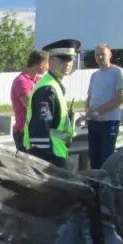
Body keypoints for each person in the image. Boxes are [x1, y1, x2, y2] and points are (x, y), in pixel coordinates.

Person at [27, 39, 79, 168]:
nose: (67, 63)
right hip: (49, 157)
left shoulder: (54, 85)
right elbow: (40, 127)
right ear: (51, 60)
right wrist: (44, 161)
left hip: (56, 153)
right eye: (62, 59)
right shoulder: (47, 88)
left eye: (70, 59)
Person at [85, 43, 123, 169]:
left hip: (109, 122)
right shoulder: (95, 75)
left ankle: (106, 185)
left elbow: (120, 97)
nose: (100, 57)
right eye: (97, 55)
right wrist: (88, 111)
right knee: (94, 156)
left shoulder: (118, 72)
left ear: (110, 55)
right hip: (93, 122)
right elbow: (89, 97)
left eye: (103, 54)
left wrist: (100, 111)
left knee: (107, 157)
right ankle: (95, 185)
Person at [11, 49, 49, 151]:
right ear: (41, 64)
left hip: (36, 130)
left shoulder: (38, 80)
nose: (48, 67)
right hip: (24, 132)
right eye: (48, 63)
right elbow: (31, 106)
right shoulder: (22, 81)